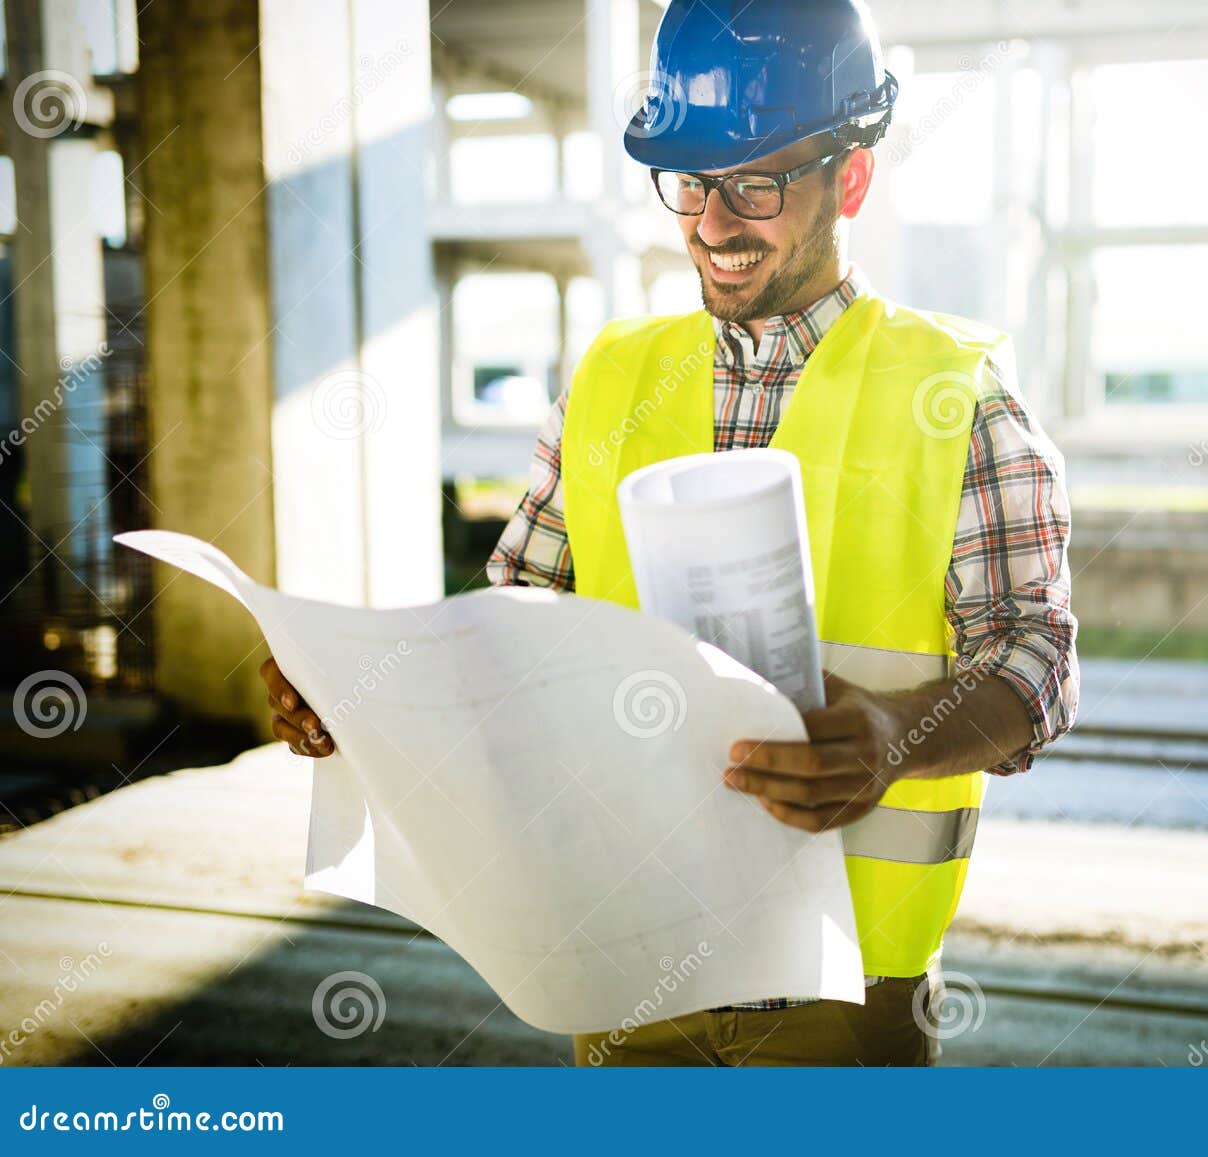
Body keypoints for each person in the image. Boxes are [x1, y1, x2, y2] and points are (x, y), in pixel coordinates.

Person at [259, 0, 1079, 1066]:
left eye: (755, 183)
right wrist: (355, 689)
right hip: (620, 956)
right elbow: (510, 625)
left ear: (852, 179)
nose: (711, 223)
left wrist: (894, 735)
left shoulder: (955, 393)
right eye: (688, 182)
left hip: (840, 988)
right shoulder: (611, 379)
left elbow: (1037, 661)